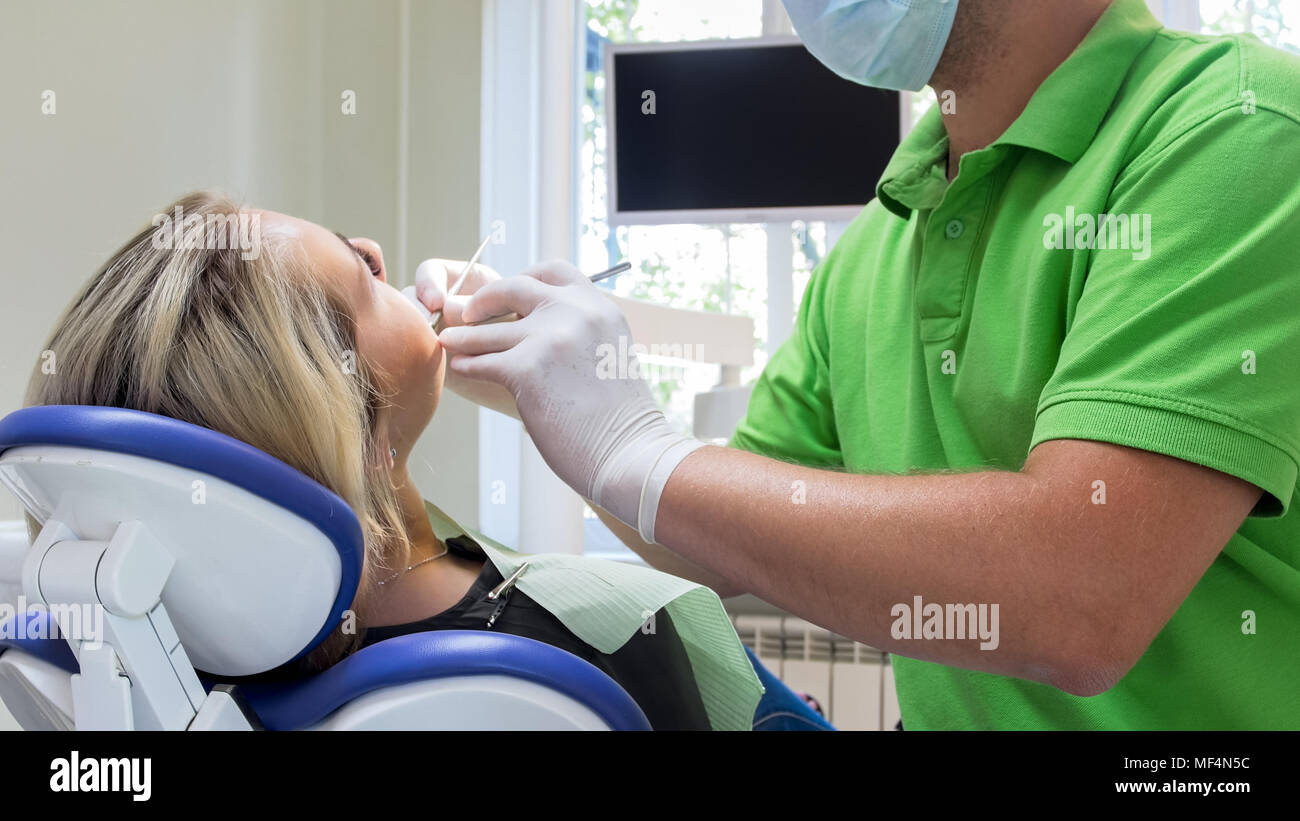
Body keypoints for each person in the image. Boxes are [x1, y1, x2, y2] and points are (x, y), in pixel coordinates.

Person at [431, 0, 1300, 729]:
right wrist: (542, 388)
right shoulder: (875, 247)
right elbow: (716, 546)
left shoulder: (1235, 132)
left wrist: (640, 449)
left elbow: (1081, 596)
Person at [20, 190, 775, 731]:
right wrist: (628, 447)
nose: (378, 250)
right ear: (358, 436)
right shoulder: (595, 641)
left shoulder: (146, 680)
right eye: (362, 276)